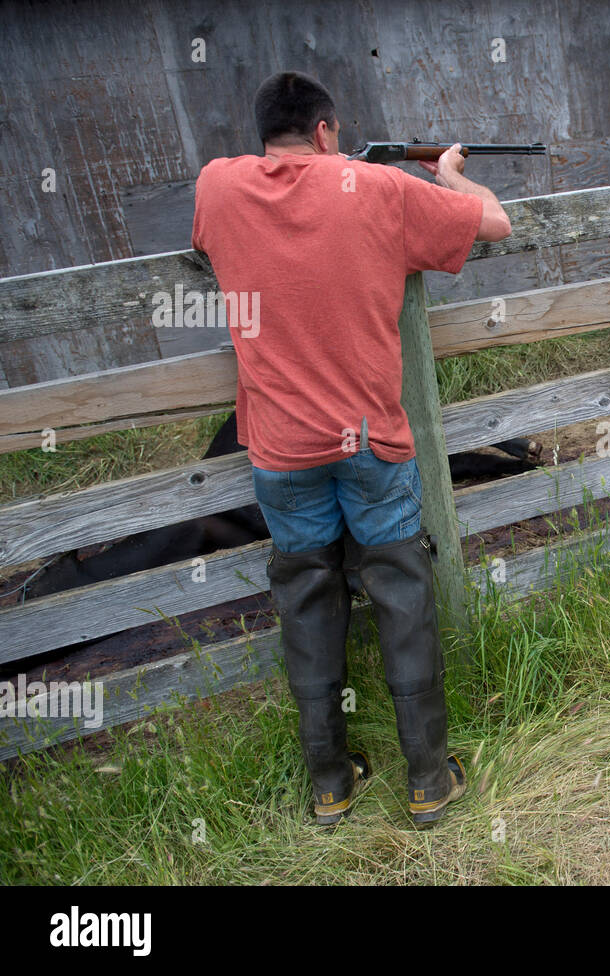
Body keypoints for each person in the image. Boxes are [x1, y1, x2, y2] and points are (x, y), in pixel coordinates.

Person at [192, 71, 511, 827]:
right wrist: (450, 175)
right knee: (400, 588)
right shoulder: (374, 188)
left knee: (304, 594)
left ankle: (330, 784)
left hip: (277, 447)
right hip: (369, 438)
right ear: (328, 131)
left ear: (265, 133)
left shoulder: (218, 186)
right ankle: (429, 778)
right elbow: (493, 223)